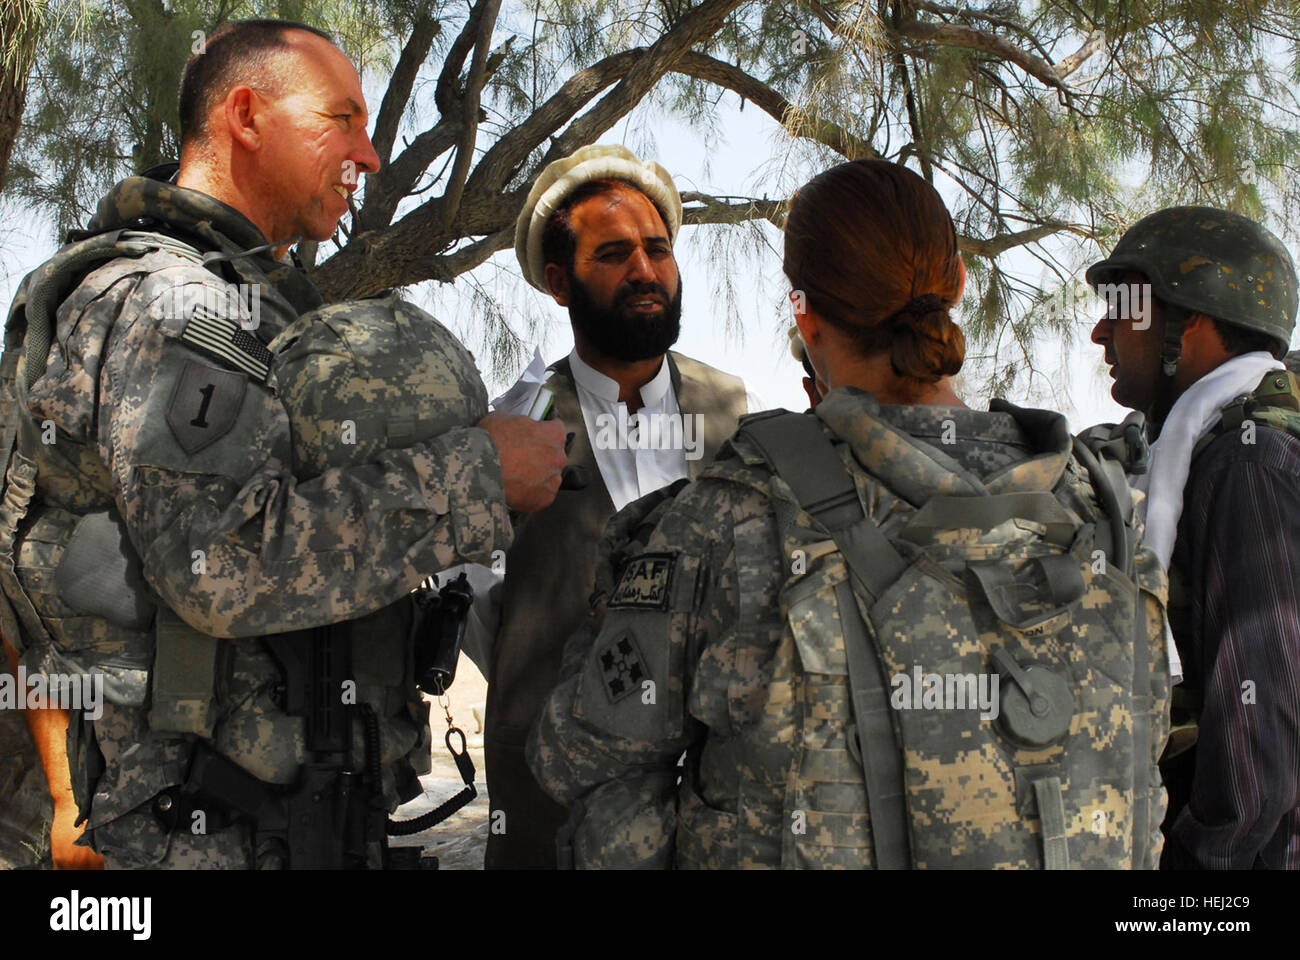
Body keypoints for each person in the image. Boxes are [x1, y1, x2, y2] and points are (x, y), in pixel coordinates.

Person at [0, 18, 566, 868]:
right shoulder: (174, 305)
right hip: (195, 833)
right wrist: (478, 475)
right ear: (247, 116)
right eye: (343, 120)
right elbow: (218, 564)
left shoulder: (241, 301)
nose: (370, 156)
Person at [528, 158, 1170, 869]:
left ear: (802, 312)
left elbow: (582, 758)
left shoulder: (730, 514)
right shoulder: (1102, 504)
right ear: (956, 283)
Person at [483, 145, 747, 868]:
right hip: (547, 792)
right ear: (560, 282)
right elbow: (478, 607)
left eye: (657, 249)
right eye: (614, 254)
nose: (643, 270)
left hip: (704, 792)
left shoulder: (732, 416)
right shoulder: (518, 422)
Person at [1086, 206, 1300, 869]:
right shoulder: (1208, 449)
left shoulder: (1247, 462)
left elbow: (1258, 740)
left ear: (1194, 322)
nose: (1101, 332)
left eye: (1122, 309)